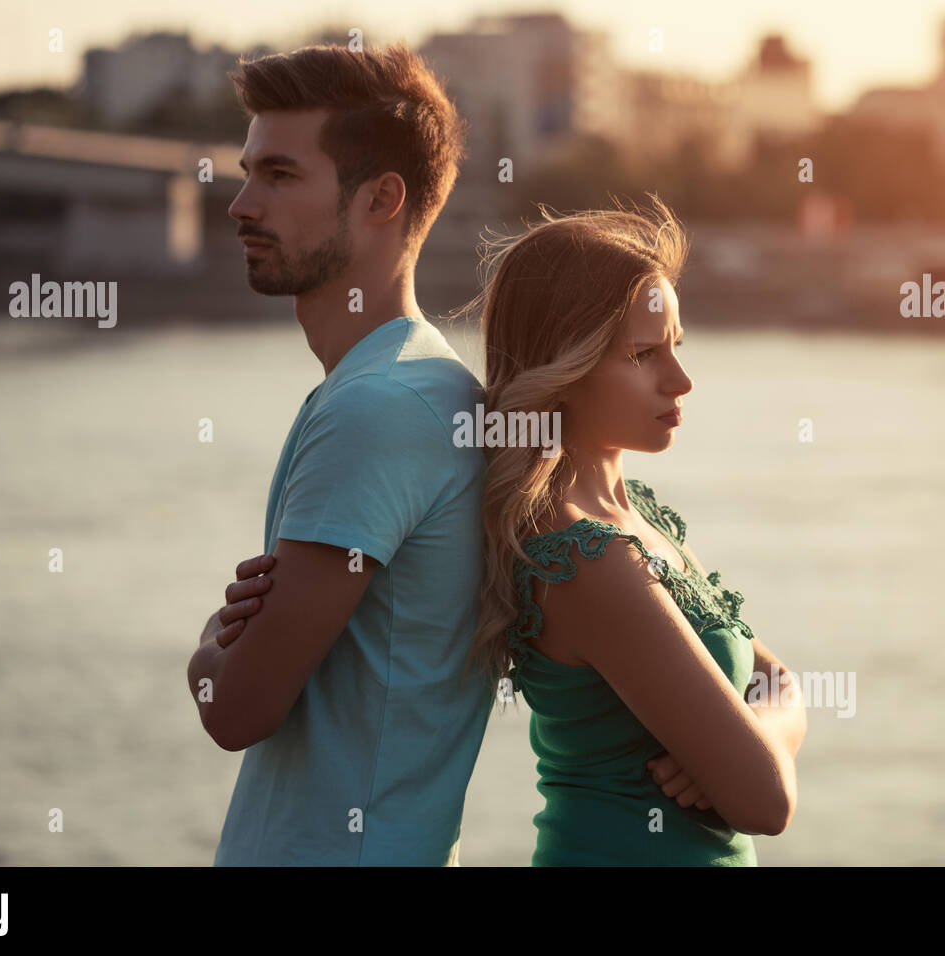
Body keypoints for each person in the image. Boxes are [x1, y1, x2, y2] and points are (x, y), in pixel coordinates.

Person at [186, 42, 493, 866]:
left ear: (381, 199)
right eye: (248, 171)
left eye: (281, 176)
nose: (241, 204)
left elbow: (235, 707)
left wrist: (214, 639)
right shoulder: (426, 385)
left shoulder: (376, 409)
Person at [464, 196, 806, 865]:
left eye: (676, 346)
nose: (681, 380)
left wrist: (758, 732)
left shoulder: (637, 517)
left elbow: (781, 681)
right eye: (644, 355)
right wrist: (749, 755)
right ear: (569, 365)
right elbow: (767, 803)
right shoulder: (588, 558)